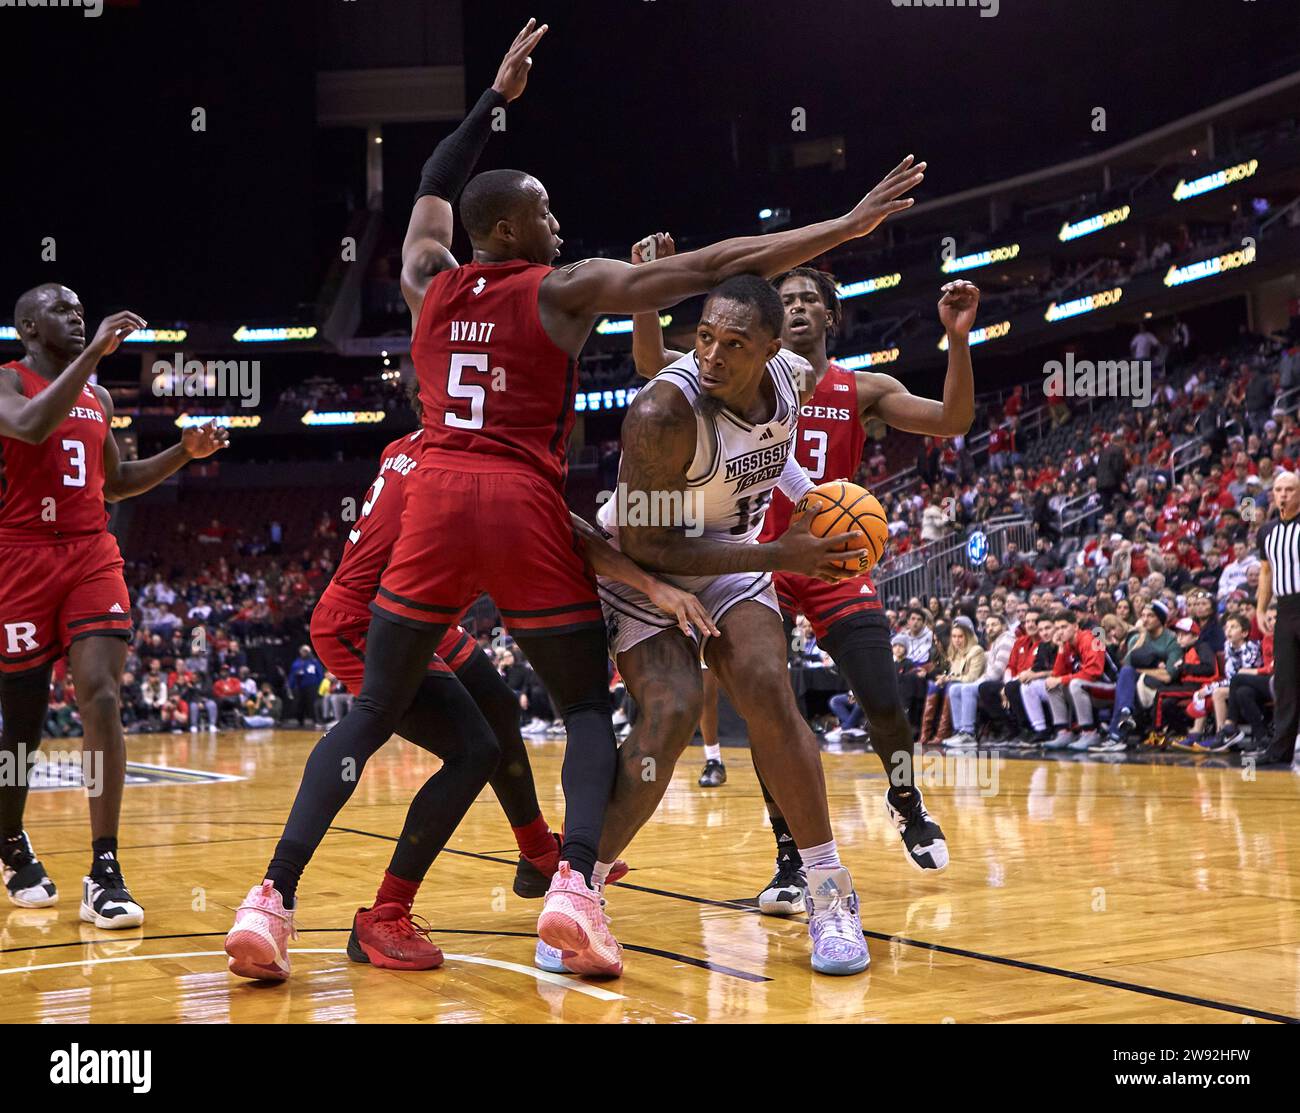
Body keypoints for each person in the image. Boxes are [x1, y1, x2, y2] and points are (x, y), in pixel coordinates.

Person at [631, 245, 974, 901]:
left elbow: (952, 421)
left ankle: (905, 797)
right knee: (771, 709)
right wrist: (649, 292)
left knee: (883, 698)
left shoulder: (861, 389)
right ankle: (790, 855)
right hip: (757, 556)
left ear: (829, 317)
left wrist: (956, 341)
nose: (796, 308)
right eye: (785, 300)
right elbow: (652, 365)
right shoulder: (736, 378)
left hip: (830, 555)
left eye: (808, 300)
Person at [589, 275, 877, 976]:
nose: (713, 356)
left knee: (764, 686)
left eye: (734, 344)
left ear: (772, 350)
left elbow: (768, 453)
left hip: (729, 557)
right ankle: (583, 887)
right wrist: (780, 551)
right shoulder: (663, 410)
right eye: (705, 338)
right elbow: (650, 545)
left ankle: (829, 890)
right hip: (643, 566)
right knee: (673, 709)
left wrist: (813, 498)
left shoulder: (795, 378)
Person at [0, 288, 226, 925]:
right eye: (62, 310)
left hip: (90, 553)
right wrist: (96, 347)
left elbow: (118, 482)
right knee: (22, 722)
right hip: (18, 557)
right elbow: (30, 426)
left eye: (81, 310)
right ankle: (11, 840)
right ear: (28, 326)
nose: (76, 316)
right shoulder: (8, 384)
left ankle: (104, 869)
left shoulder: (97, 398)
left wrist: (186, 451)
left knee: (99, 692)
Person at [1252, 472, 1300, 765]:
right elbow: (1266, 573)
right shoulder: (1266, 531)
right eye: (1278, 490)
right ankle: (1279, 749)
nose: (1283, 495)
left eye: (1290, 489)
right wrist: (1260, 608)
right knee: (1285, 682)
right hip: (1284, 609)